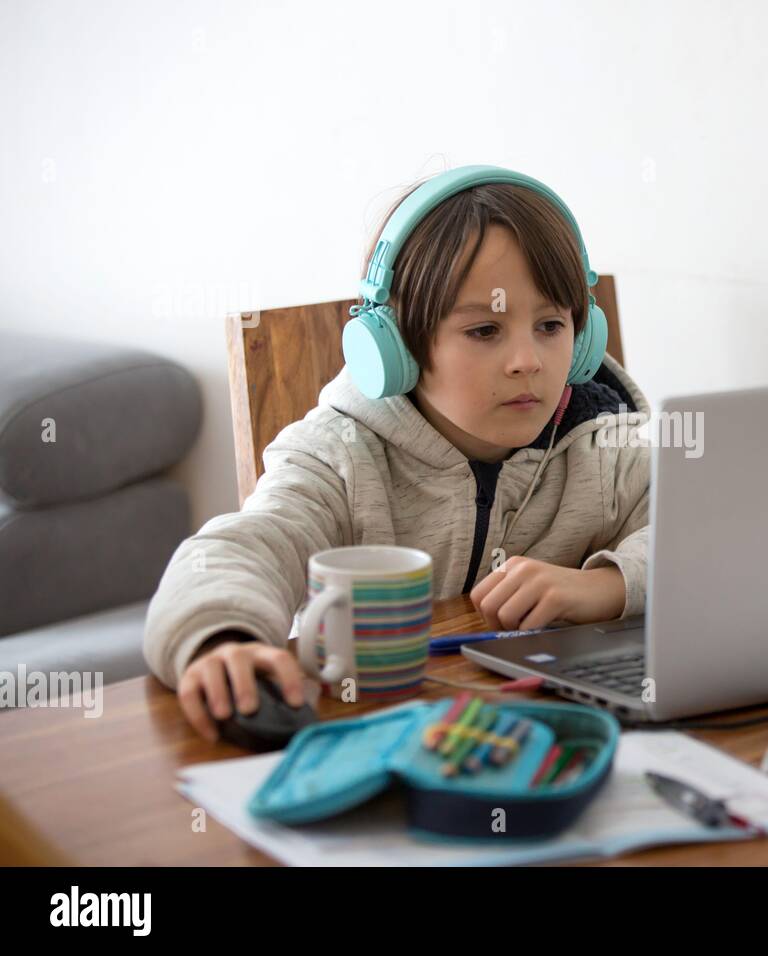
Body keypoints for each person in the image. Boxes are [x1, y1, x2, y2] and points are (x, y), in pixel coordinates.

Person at [143, 174, 652, 742]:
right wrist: (221, 639)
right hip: (375, 731)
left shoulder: (606, 445)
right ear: (394, 344)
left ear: (583, 338)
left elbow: (718, 539)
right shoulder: (337, 457)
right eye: (484, 329)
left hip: (541, 739)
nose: (527, 360)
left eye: (551, 325)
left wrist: (608, 585)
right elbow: (238, 550)